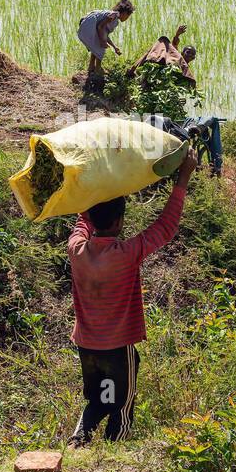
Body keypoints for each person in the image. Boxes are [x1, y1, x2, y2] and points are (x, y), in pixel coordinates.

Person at [68, 147, 198, 445]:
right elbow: (166, 227)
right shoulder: (126, 254)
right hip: (117, 348)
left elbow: (82, 221)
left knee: (98, 401)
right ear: (119, 222)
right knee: (122, 405)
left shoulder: (76, 250)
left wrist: (92, 184)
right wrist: (183, 177)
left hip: (87, 345)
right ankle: (116, 453)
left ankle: (78, 442)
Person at [77, 0, 133, 89]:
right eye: (128, 16)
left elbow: (104, 33)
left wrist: (114, 47)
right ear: (124, 13)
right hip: (88, 26)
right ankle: (98, 68)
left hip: (88, 24)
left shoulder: (114, 17)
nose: (127, 18)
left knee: (97, 46)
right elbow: (100, 27)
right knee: (100, 46)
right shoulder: (113, 16)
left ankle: (91, 67)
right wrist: (103, 41)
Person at [129, 24, 197, 84]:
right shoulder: (177, 57)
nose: (189, 55)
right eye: (188, 52)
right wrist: (177, 35)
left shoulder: (186, 69)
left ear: (193, 58)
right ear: (182, 53)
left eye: (192, 54)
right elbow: (174, 46)